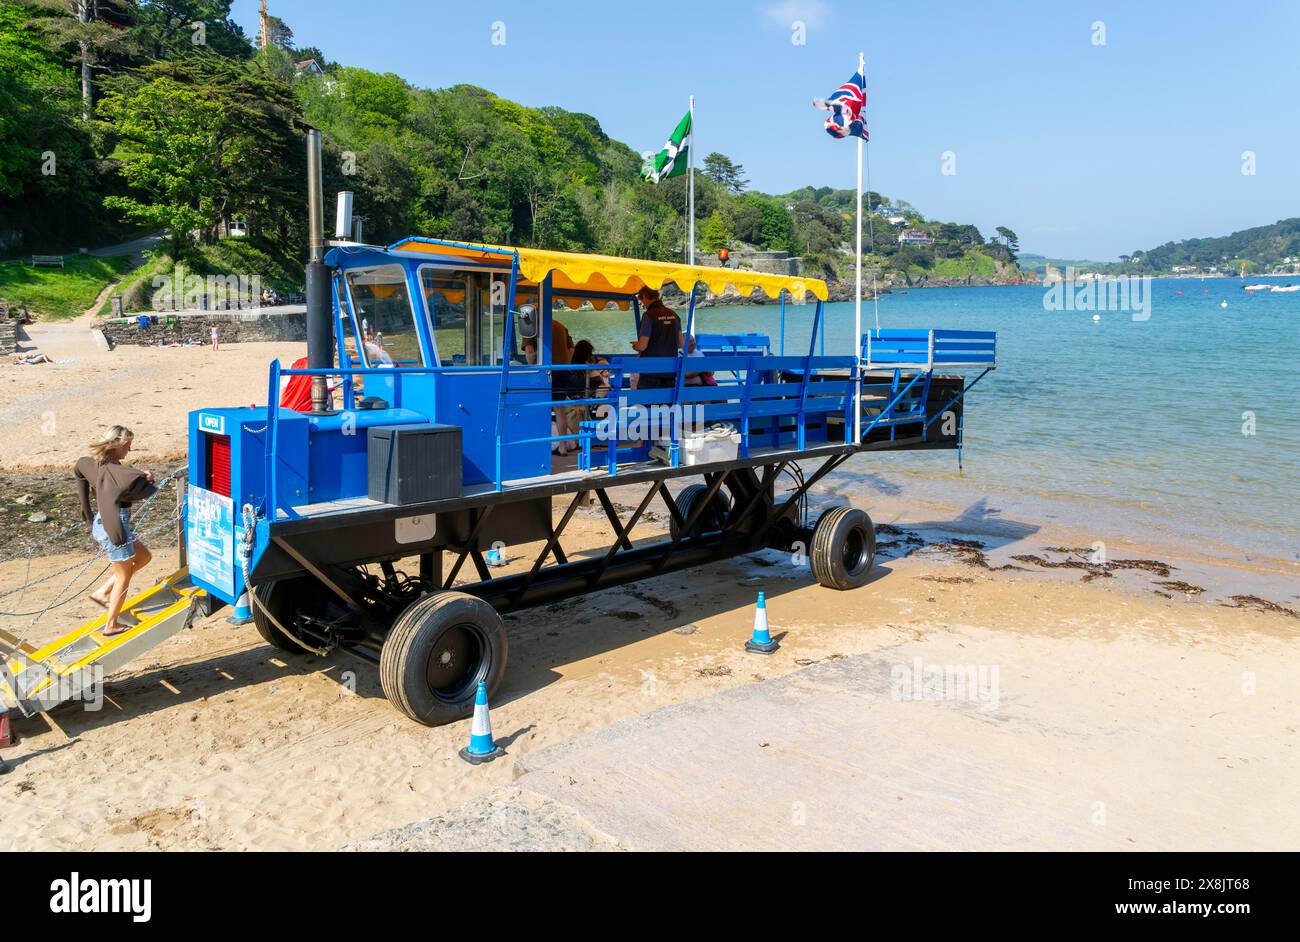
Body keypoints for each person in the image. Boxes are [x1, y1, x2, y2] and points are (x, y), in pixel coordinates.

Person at [74, 426, 157, 637]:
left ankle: (102, 592)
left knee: (144, 557)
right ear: (117, 445)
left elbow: (78, 468)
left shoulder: (95, 465)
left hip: (106, 523)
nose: (130, 449)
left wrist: (86, 510)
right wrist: (147, 477)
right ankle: (110, 625)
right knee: (124, 575)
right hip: (114, 527)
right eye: (127, 445)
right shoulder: (116, 471)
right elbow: (145, 489)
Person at [630, 286, 684, 389]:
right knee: (666, 403)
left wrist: (635, 345)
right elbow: (681, 343)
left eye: (642, 301)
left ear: (645, 296)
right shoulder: (674, 315)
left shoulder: (649, 315)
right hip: (670, 369)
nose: (643, 305)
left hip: (651, 370)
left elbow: (642, 346)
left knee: (647, 403)